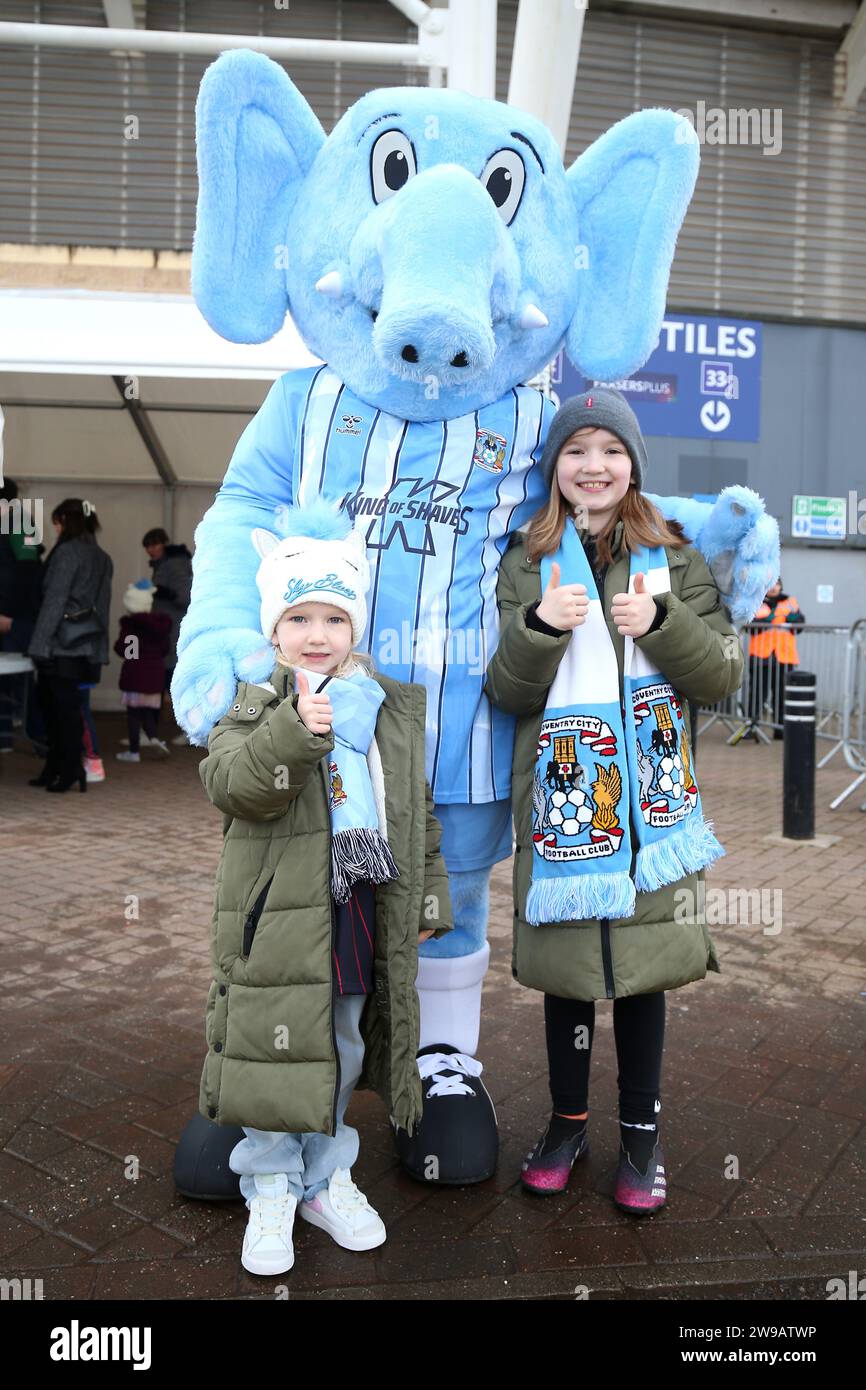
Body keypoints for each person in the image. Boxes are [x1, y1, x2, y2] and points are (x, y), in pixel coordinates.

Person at [484, 389, 743, 1215]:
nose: (593, 466)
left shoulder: (676, 554)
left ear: (633, 464)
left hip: (648, 817)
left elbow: (721, 677)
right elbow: (507, 690)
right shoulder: (525, 559)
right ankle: (566, 1125)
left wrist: (662, 621)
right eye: (576, 451)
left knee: (640, 978)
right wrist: (539, 626)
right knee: (568, 979)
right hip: (567, 807)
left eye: (610, 451)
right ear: (554, 466)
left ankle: (641, 1136)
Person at [196, 497, 452, 1275]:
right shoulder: (253, 705)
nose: (317, 635)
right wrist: (292, 732)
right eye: (300, 619)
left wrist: (431, 894)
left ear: (355, 629)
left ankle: (326, 1174)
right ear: (274, 630)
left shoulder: (385, 711)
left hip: (356, 906)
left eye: (334, 620)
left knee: (340, 1043)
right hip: (275, 924)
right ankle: (269, 1181)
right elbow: (237, 787)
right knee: (277, 1052)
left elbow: (415, 813)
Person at [27, 499, 113, 793]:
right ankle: (61, 767)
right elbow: (103, 605)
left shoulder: (66, 552)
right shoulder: (102, 557)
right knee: (68, 709)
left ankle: (66, 768)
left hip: (58, 644)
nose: (55, 527)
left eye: (57, 521)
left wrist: (38, 645)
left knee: (56, 710)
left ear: (65, 519)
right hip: (85, 644)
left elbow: (54, 601)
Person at [0, 477, 44, 753]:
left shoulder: (19, 523)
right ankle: (5, 736)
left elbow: (25, 575)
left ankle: (38, 739)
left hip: (15, 620)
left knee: (21, 680)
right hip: (9, 617)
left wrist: (8, 616)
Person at [142, 527, 192, 742]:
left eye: (154, 545)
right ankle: (150, 731)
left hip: (173, 632)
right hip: (163, 632)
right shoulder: (164, 563)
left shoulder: (175, 564)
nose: (150, 550)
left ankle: (190, 731)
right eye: (147, 547)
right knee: (161, 681)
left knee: (172, 682)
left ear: (164, 543)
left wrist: (160, 591)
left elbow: (185, 597)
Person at [113, 580, 172, 762]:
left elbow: (129, 652)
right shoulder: (159, 627)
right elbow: (164, 650)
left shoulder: (132, 627)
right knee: (147, 712)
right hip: (155, 676)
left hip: (135, 676)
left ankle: (134, 752)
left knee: (133, 714)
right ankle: (155, 739)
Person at [747, 578, 805, 740]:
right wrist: (778, 616)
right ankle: (751, 728)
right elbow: (750, 626)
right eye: (771, 584)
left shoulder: (790, 602)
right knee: (757, 695)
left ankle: (780, 730)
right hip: (761, 657)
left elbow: (800, 622)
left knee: (782, 696)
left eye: (777, 584)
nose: (774, 587)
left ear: (781, 586)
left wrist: (778, 618)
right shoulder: (756, 602)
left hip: (784, 657)